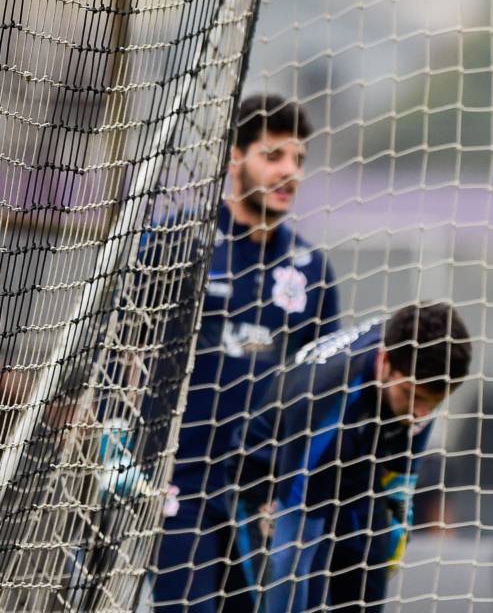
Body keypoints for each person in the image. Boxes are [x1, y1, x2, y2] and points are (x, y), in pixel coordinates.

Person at [152, 94, 339, 612]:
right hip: (179, 483)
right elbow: (127, 352)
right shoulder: (177, 245)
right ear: (235, 157)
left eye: (298, 160)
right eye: (273, 155)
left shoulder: (313, 272)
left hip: (263, 497)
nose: (289, 172)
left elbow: (323, 389)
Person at [232, 302, 471, 613]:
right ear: (384, 362)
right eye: (413, 396)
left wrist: (398, 515)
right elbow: (289, 553)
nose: (420, 413)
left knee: (369, 578)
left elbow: (404, 460)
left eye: (435, 401)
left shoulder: (417, 362)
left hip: (355, 467)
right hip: (275, 477)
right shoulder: (326, 402)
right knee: (296, 595)